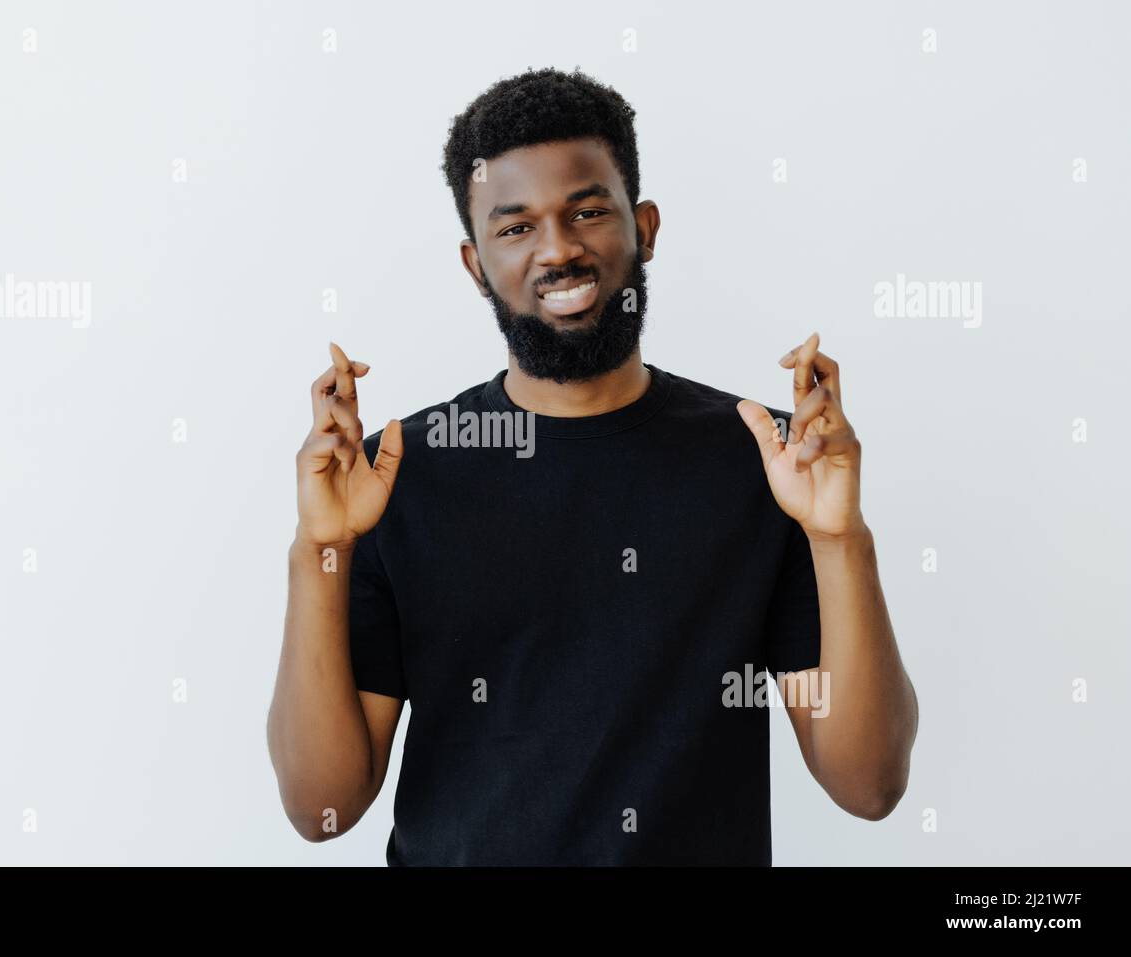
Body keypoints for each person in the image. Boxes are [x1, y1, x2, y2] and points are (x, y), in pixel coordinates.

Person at [268, 67, 918, 865]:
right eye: (515, 228)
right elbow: (321, 808)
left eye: (587, 211)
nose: (559, 250)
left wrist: (839, 536)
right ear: (475, 264)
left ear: (643, 226)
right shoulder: (392, 478)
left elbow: (869, 785)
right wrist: (317, 552)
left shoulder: (771, 463)